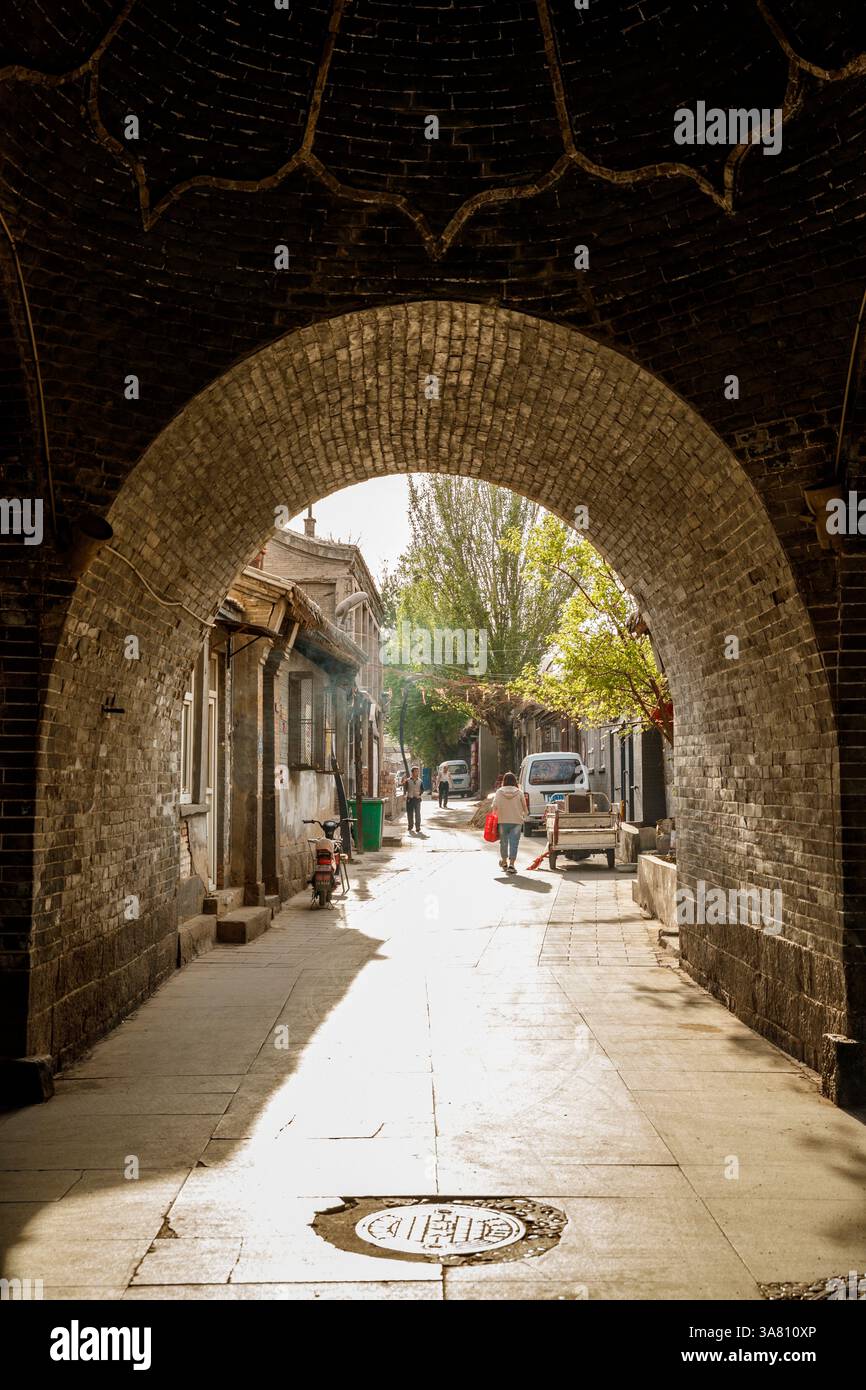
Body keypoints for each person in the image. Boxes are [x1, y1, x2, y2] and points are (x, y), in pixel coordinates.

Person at [490, 771, 527, 874]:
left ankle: (504, 862)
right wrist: (525, 813)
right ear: (515, 781)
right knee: (514, 843)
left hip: (502, 821)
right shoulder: (519, 792)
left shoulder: (499, 792)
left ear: (504, 781)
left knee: (504, 842)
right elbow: (524, 807)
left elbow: (494, 806)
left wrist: (494, 815)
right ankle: (512, 865)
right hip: (516, 821)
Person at [404, 765, 423, 833]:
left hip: (417, 799)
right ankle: (410, 826)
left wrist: (420, 793)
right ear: (412, 772)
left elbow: (422, 789)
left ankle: (418, 827)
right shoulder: (408, 781)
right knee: (410, 813)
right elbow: (405, 789)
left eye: (417, 771)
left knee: (417, 813)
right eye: (415, 771)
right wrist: (406, 795)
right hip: (410, 799)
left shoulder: (420, 781)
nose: (417, 773)